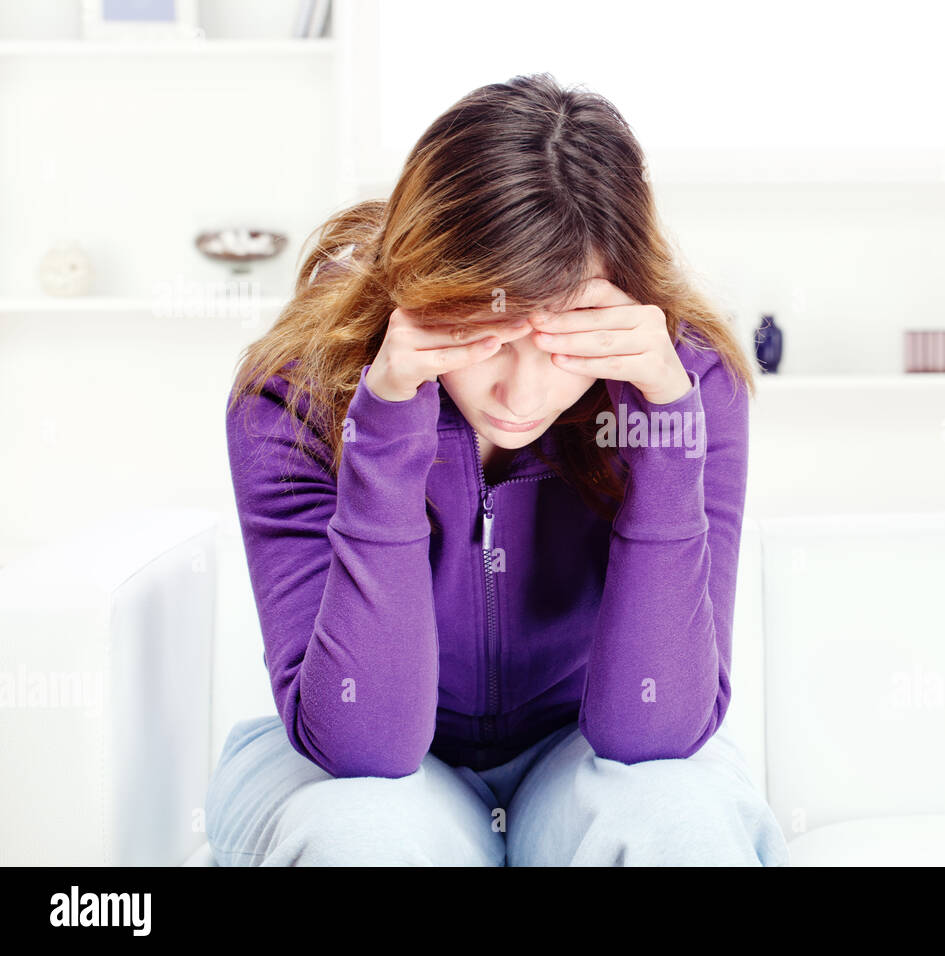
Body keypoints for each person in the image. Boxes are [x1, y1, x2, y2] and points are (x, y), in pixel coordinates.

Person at [204, 72, 789, 866]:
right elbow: (362, 746)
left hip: (577, 748)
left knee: (681, 821)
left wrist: (664, 427)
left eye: (564, 344)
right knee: (360, 836)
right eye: (482, 337)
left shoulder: (686, 385)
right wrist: (386, 424)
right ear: (421, 287)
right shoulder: (296, 397)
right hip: (336, 748)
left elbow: (654, 735)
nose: (522, 392)